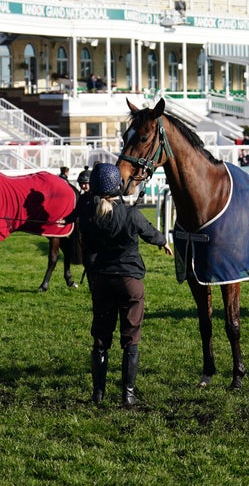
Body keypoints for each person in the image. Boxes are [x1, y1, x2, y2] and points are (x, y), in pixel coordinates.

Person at [77, 163, 172, 407]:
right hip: (129, 281)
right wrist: (163, 242)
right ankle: (127, 395)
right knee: (131, 339)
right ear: (118, 186)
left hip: (100, 280)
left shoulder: (87, 215)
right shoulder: (131, 214)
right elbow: (149, 232)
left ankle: (98, 394)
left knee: (100, 339)